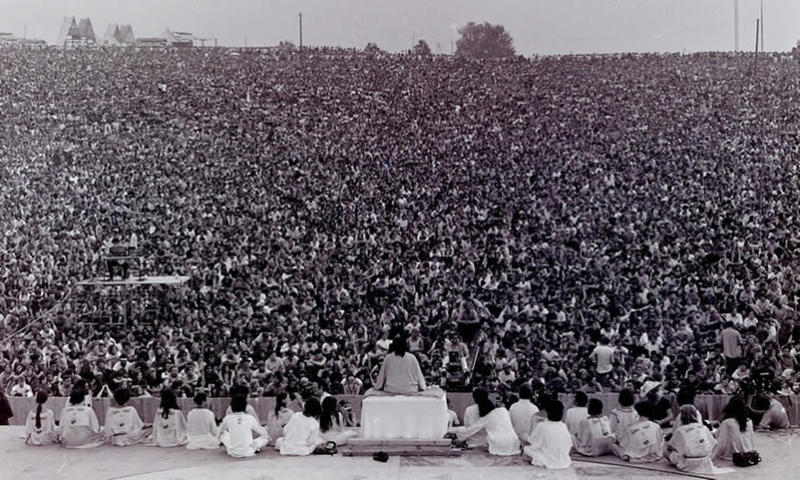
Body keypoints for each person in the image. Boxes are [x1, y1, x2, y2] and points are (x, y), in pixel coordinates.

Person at [450, 388, 520, 456]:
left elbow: (470, 429)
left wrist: (458, 438)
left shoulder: (486, 417)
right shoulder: (503, 410)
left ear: (474, 399)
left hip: (498, 444)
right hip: (515, 442)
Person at [666, 405, 731, 474]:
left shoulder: (680, 430)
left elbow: (670, 447)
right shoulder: (704, 428)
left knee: (666, 450)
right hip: (705, 461)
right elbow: (714, 445)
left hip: (688, 464)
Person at [368, 336, 440, 397]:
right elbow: (419, 376)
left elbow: (381, 379)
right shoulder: (412, 357)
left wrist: (377, 387)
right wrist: (423, 387)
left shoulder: (388, 358)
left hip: (392, 390)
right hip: (410, 389)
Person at [523, 400, 573, 469]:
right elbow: (569, 445)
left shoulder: (542, 426)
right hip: (564, 460)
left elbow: (531, 442)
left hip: (548, 460)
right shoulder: (563, 426)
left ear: (547, 412)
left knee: (527, 449)